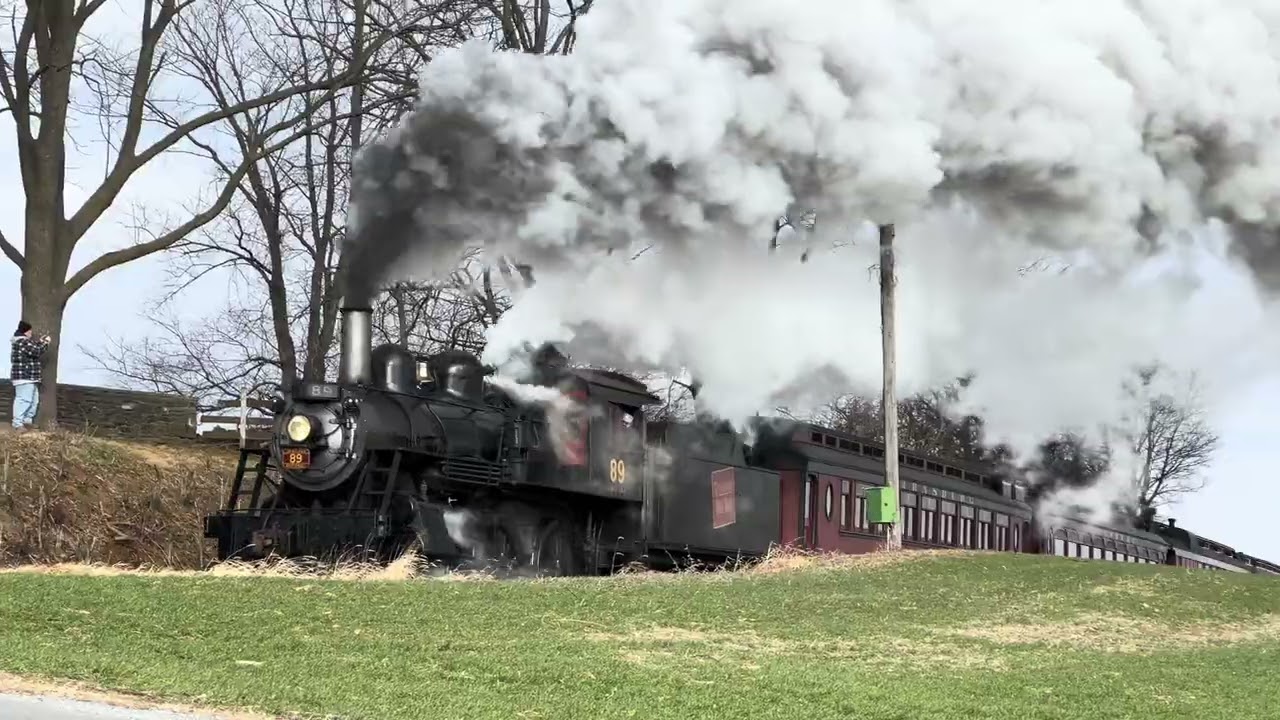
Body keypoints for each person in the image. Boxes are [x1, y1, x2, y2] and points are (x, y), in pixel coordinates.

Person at [10, 320, 50, 431]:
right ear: (26, 331)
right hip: (24, 377)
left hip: (29, 377)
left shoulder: (23, 342)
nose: (31, 333)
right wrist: (45, 343)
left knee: (34, 401)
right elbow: (36, 351)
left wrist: (40, 342)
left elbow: (32, 348)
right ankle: (17, 424)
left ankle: (26, 421)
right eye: (30, 331)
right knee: (24, 400)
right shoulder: (22, 342)